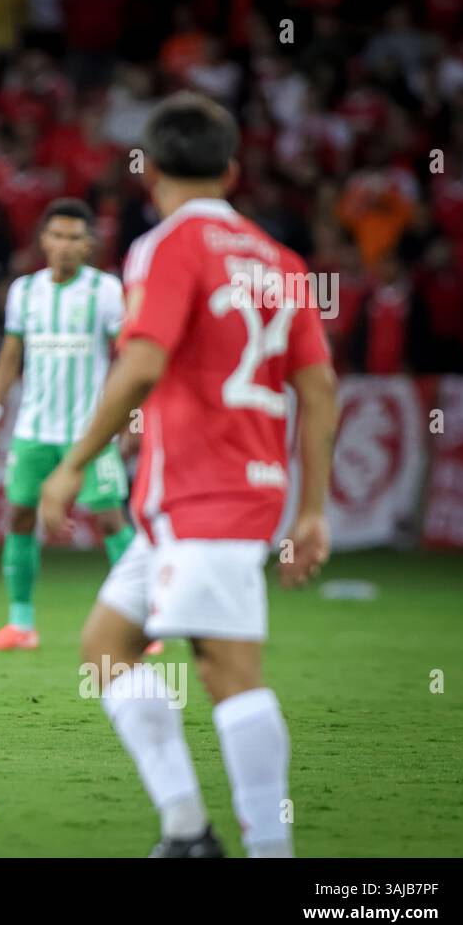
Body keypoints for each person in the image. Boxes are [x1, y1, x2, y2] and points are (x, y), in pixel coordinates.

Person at [39, 93, 338, 857]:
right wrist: (310, 511)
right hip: (206, 502)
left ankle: (271, 847)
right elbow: (320, 390)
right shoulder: (282, 261)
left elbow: (142, 364)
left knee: (228, 673)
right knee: (105, 647)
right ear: (232, 169)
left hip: (206, 493)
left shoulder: (164, 246)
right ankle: (185, 829)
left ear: (151, 170)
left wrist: (73, 464)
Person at [0, 198, 144, 652]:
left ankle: (141, 624)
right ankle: (21, 625)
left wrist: (130, 417)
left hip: (90, 432)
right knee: (21, 517)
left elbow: (128, 355)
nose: (65, 245)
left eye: (75, 237)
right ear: (43, 239)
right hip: (32, 431)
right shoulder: (25, 291)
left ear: (89, 244)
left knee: (109, 519)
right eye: (58, 235)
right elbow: (11, 355)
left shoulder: (106, 290)